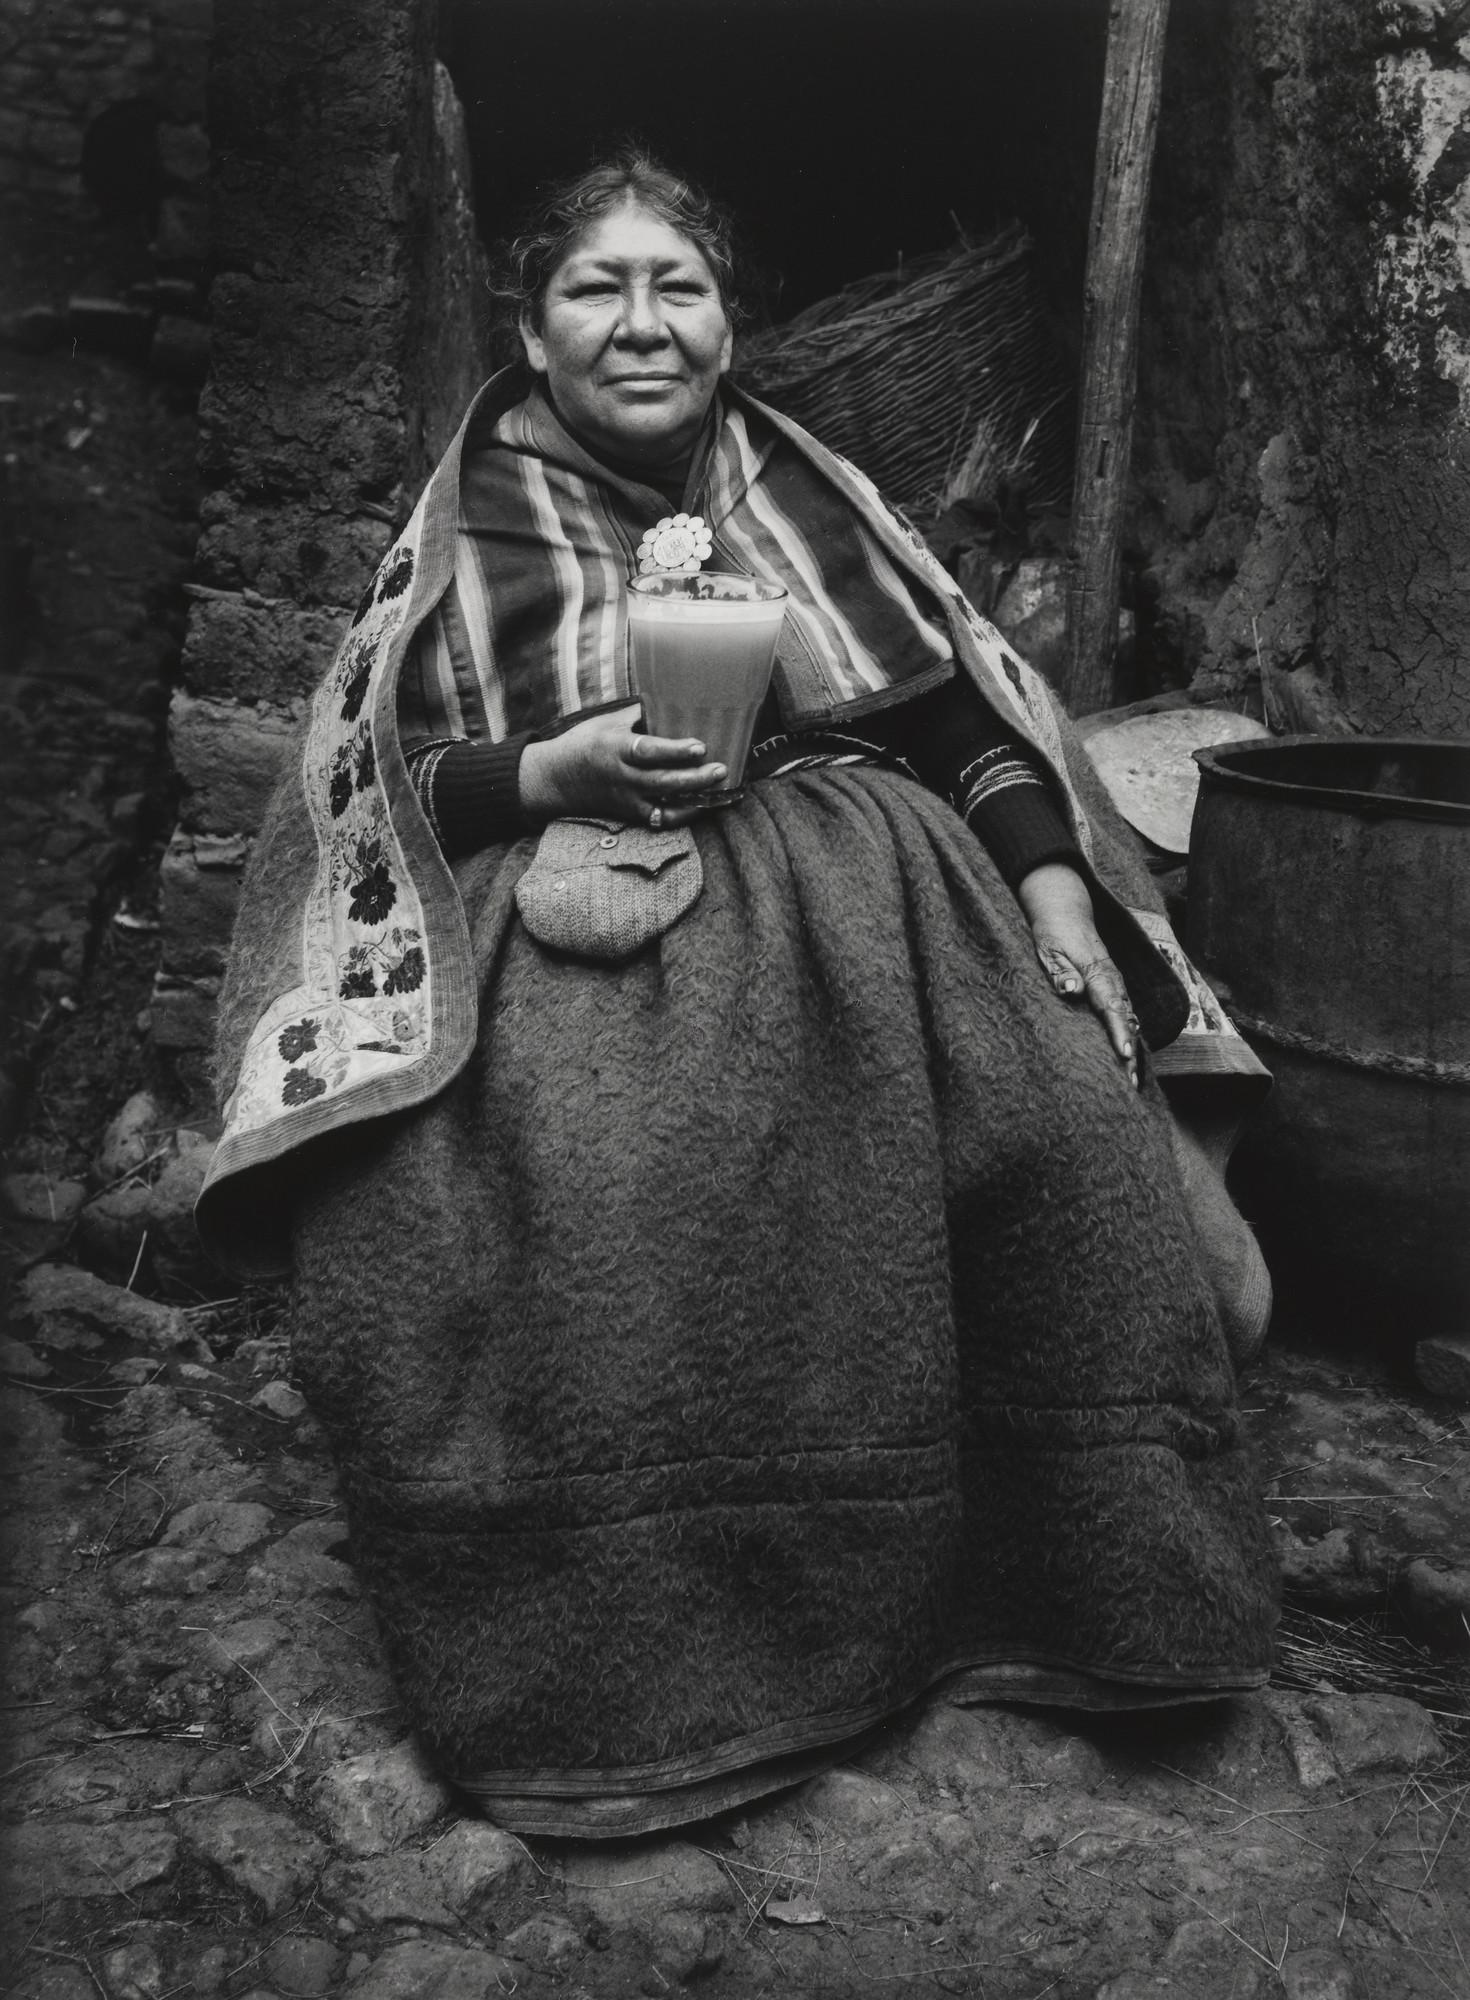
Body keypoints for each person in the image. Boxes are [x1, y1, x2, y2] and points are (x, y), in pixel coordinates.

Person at [199, 150, 1277, 1839]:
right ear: (531, 328)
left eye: (677, 288)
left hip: (862, 888)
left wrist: (1056, 883)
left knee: (1065, 1118)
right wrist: (538, 770)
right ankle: (639, 1681)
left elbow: (949, 716)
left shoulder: (799, 492)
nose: (642, 324)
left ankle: (1046, 1604)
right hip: (555, 900)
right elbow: (364, 790)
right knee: (594, 1183)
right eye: (596, 289)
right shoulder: (464, 526)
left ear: (728, 322)